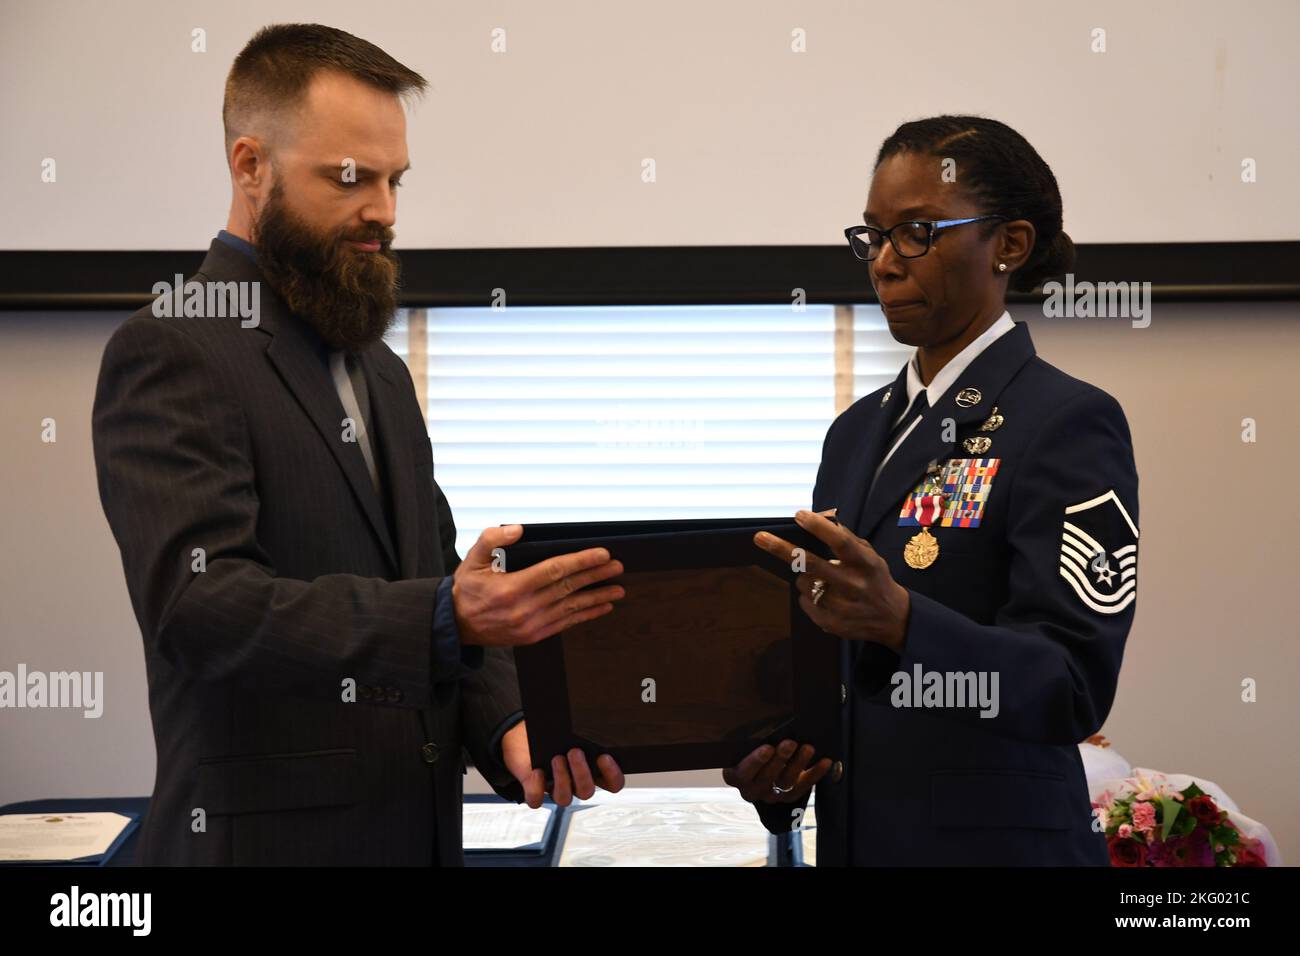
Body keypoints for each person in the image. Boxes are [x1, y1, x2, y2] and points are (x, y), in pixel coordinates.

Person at [91, 23, 624, 866]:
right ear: (250, 166)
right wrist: (447, 613)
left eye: (393, 179)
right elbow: (200, 608)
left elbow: (438, 586)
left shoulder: (377, 368)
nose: (385, 209)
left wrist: (511, 725)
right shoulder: (173, 346)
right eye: (350, 178)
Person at [725, 115, 1140, 866]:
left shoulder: (1069, 421)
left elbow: (1070, 685)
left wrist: (906, 621)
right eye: (873, 236)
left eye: (916, 233)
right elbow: (838, 663)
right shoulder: (853, 433)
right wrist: (781, 768)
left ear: (1008, 245)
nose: (884, 262)